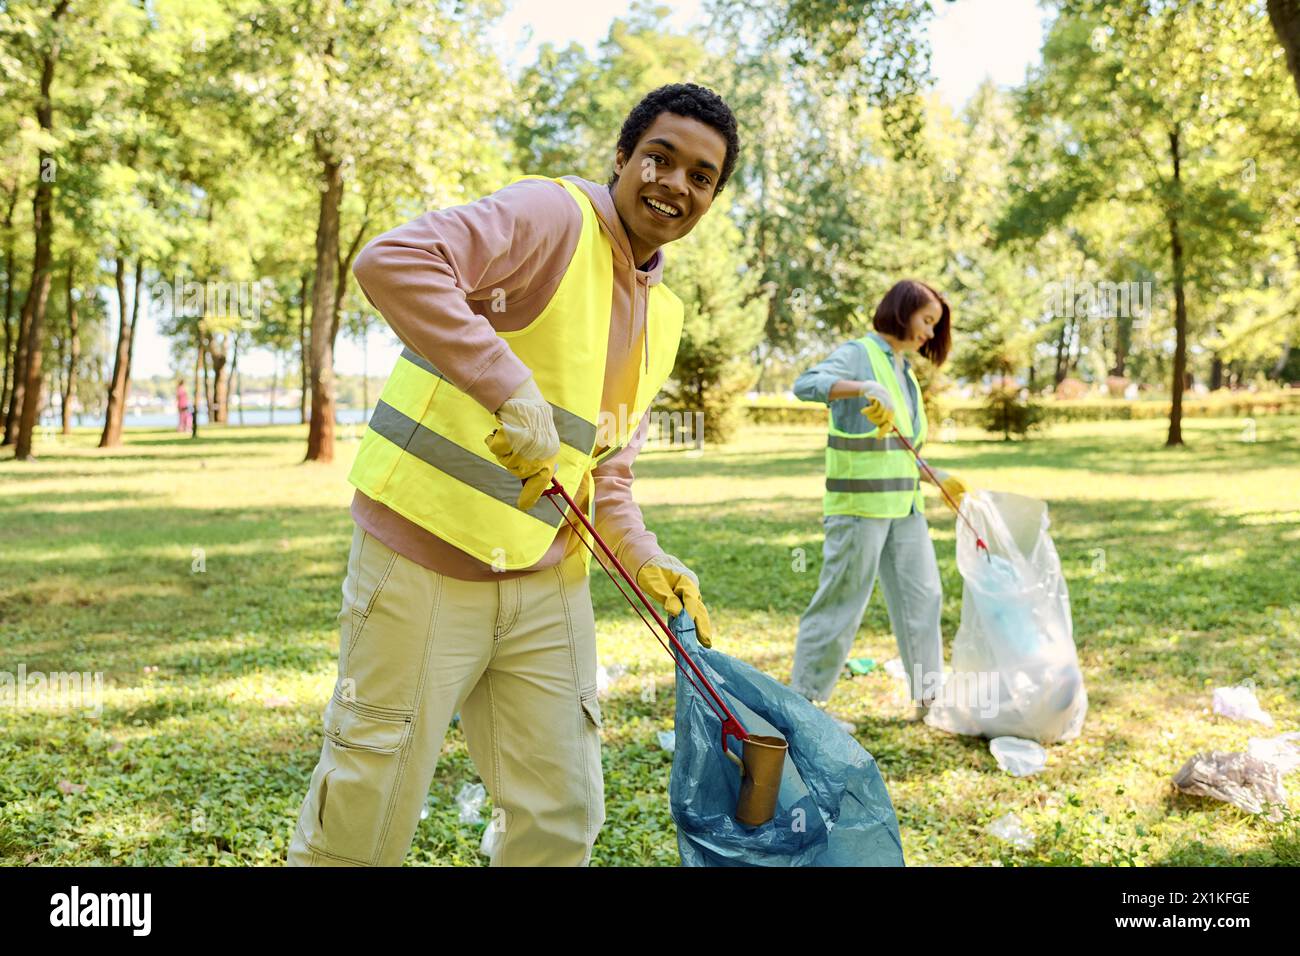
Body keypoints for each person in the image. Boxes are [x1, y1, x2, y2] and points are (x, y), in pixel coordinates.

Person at [287, 83, 740, 867]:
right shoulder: (552, 216)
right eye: (660, 159)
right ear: (623, 158)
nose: (675, 184)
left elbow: (609, 472)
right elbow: (392, 260)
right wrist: (507, 384)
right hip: (422, 562)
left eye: (701, 176)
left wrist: (645, 557)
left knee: (562, 813)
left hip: (545, 582)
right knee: (370, 805)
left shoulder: (662, 315)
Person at [788, 279, 971, 720]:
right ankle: (804, 707)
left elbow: (900, 448)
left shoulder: (903, 369)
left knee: (923, 598)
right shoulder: (860, 354)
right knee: (841, 604)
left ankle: (930, 700)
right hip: (858, 510)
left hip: (905, 508)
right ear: (902, 311)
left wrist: (939, 477)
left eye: (935, 325)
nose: (930, 332)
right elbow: (806, 384)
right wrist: (863, 388)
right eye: (927, 320)